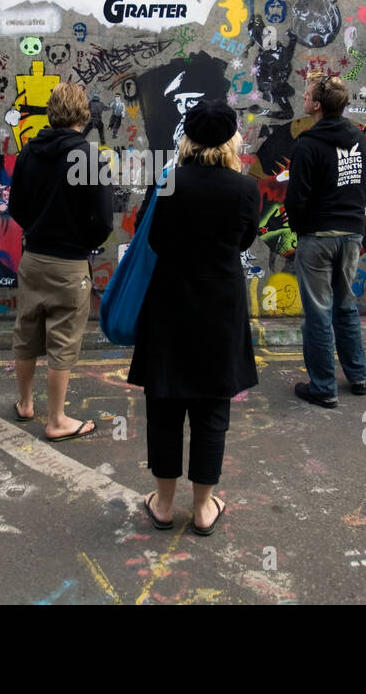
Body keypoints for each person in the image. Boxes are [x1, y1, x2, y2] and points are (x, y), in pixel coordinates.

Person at [128, 100, 258, 536]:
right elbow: (244, 241)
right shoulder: (245, 189)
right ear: (231, 139)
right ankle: (203, 508)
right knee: (211, 406)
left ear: (188, 137)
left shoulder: (168, 182)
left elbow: (156, 239)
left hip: (169, 304)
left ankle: (163, 504)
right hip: (220, 306)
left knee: (164, 403)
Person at [9, 83, 113, 442]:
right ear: (83, 116)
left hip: (33, 258)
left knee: (26, 333)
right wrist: (81, 243)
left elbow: (16, 208)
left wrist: (37, 231)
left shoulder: (28, 153)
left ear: (51, 114)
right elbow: (103, 220)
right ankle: (56, 420)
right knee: (62, 342)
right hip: (69, 265)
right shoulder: (89, 156)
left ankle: (24, 403)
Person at [288, 73, 366, 407]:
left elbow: (296, 198)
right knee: (345, 305)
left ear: (318, 105)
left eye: (307, 94)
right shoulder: (361, 140)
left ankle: (323, 387)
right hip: (352, 233)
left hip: (318, 236)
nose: (304, 97)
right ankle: (359, 375)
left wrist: (300, 229)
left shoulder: (309, 144)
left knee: (319, 313)